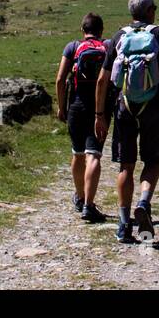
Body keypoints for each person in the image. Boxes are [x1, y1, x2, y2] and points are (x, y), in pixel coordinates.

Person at [94, 0, 159, 244]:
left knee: (126, 165)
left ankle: (124, 226)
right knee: (152, 161)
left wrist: (99, 115)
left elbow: (103, 80)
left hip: (123, 106)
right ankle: (143, 202)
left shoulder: (118, 36)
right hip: (153, 106)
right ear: (150, 12)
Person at [54, 15, 112, 222]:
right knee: (93, 154)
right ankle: (88, 204)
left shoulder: (72, 47)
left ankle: (79, 197)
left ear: (82, 29)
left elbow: (60, 79)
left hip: (76, 106)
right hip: (101, 107)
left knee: (78, 153)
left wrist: (62, 107)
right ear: (102, 29)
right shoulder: (107, 46)